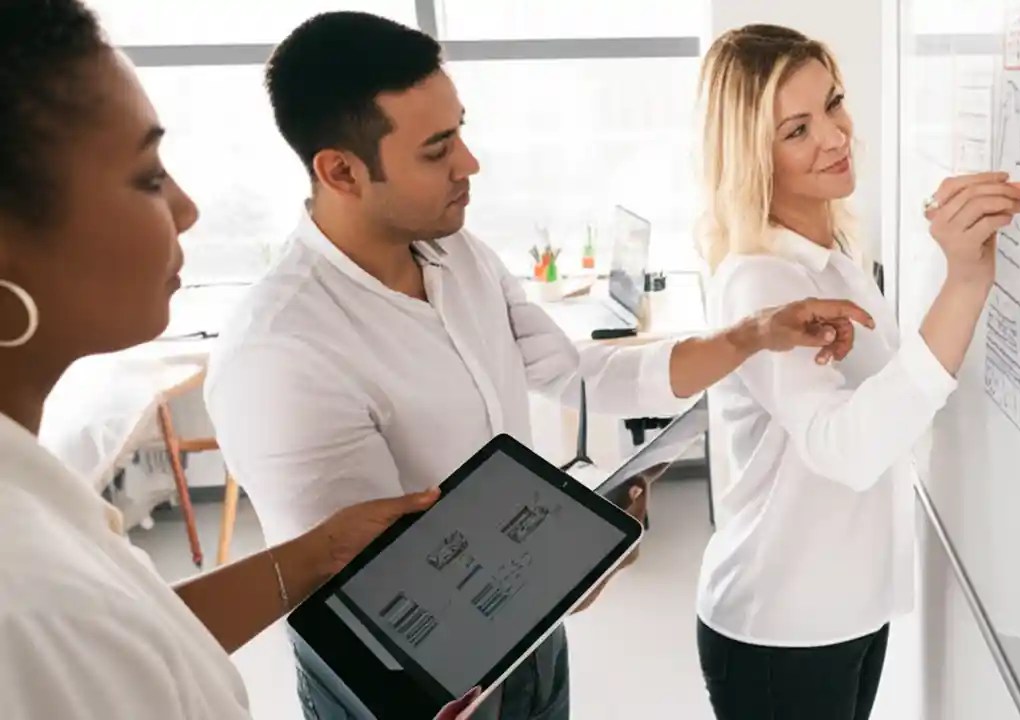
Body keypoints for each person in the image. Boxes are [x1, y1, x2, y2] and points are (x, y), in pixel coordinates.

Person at [202, 12, 874, 720]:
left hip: (523, 639)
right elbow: (371, 594)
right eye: (437, 150)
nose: (470, 163)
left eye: (460, 130)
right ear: (340, 169)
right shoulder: (279, 352)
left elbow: (578, 374)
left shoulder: (458, 254)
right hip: (414, 690)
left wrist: (751, 334)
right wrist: (556, 567)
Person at [0, 2, 478, 718]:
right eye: (147, 175)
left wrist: (318, 553)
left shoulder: (43, 539)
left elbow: (142, 641)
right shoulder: (32, 603)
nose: (187, 209)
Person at [692, 25, 1020, 720]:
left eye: (834, 103)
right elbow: (844, 447)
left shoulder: (836, 253)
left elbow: (892, 398)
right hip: (779, 626)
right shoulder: (760, 281)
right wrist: (965, 281)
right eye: (796, 129)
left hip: (849, 609)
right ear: (752, 156)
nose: (835, 135)